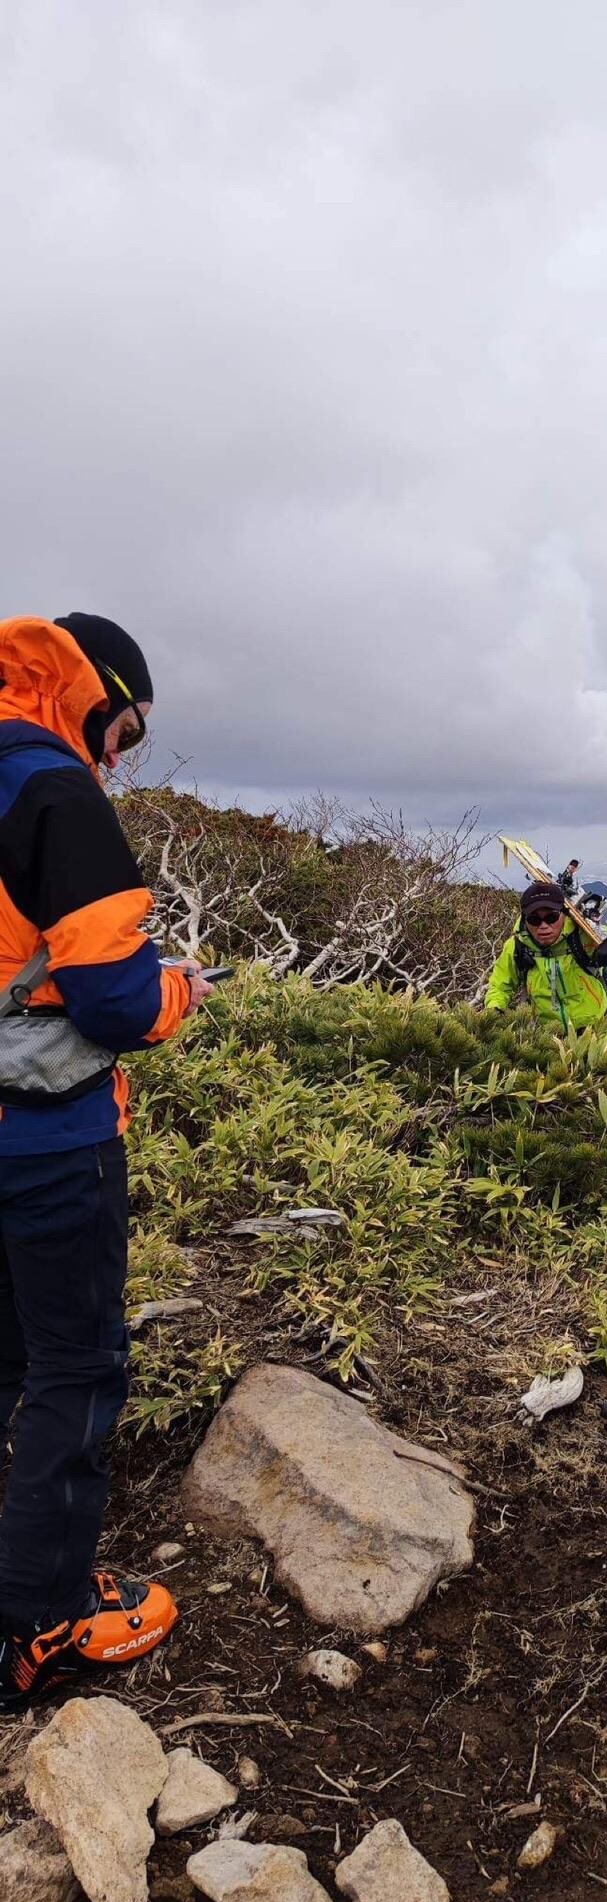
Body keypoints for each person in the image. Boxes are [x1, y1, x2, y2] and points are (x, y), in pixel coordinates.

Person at [0, 612, 213, 1711]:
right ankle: (40, 1623)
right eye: (123, 731)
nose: (118, 757)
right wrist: (179, 988)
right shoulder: (54, 791)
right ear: (95, 696)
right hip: (44, 1136)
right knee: (74, 1368)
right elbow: (115, 1001)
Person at [485, 880, 607, 1041]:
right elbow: (500, 985)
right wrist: (494, 1010)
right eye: (534, 920)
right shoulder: (517, 946)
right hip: (548, 1040)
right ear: (525, 919)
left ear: (564, 913)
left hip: (599, 1034)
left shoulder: (584, 935)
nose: (543, 926)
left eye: (551, 917)